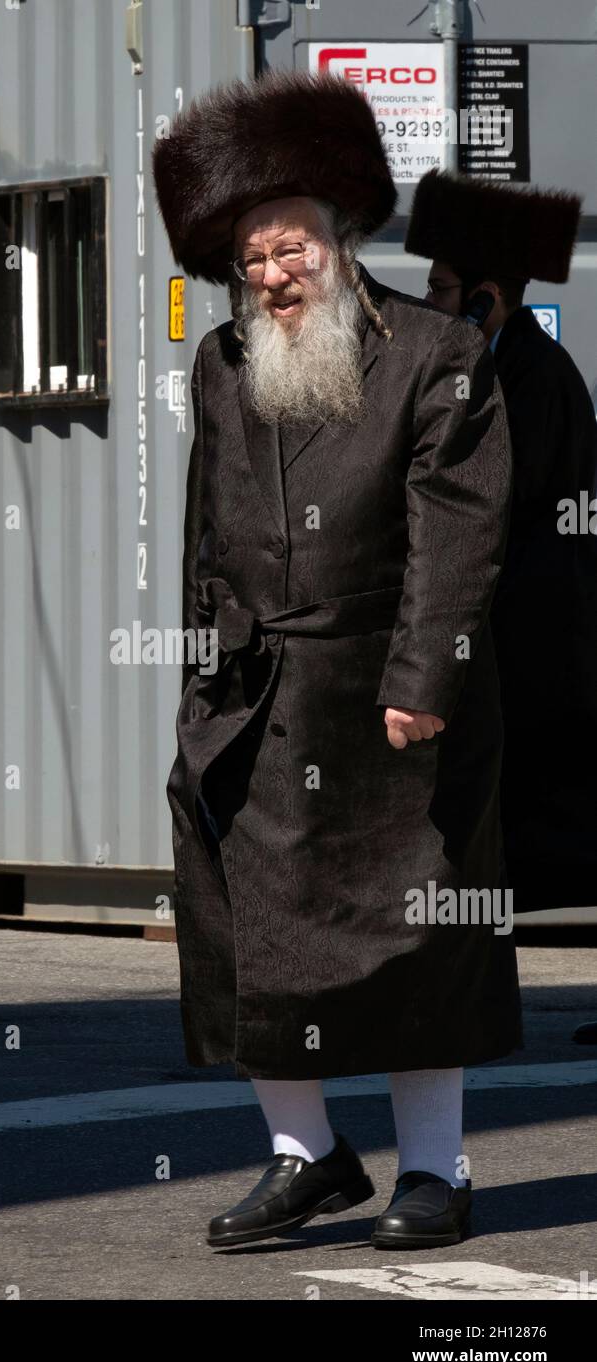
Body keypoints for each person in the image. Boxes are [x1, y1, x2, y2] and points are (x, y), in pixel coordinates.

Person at [151, 70, 523, 1251]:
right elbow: (205, 529)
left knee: (414, 943)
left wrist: (423, 680)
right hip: (254, 699)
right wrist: (199, 666)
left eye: (290, 246)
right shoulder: (221, 362)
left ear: (338, 236)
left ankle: (434, 1173)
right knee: (242, 939)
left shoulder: (432, 355)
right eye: (251, 256)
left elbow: (456, 532)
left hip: (386, 701)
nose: (272, 273)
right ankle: (304, 1157)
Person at [406, 167, 597, 919]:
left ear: (489, 297)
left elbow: (494, 508)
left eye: (444, 289)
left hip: (540, 643)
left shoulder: (529, 377)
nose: (430, 303)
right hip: (527, 640)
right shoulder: (502, 369)